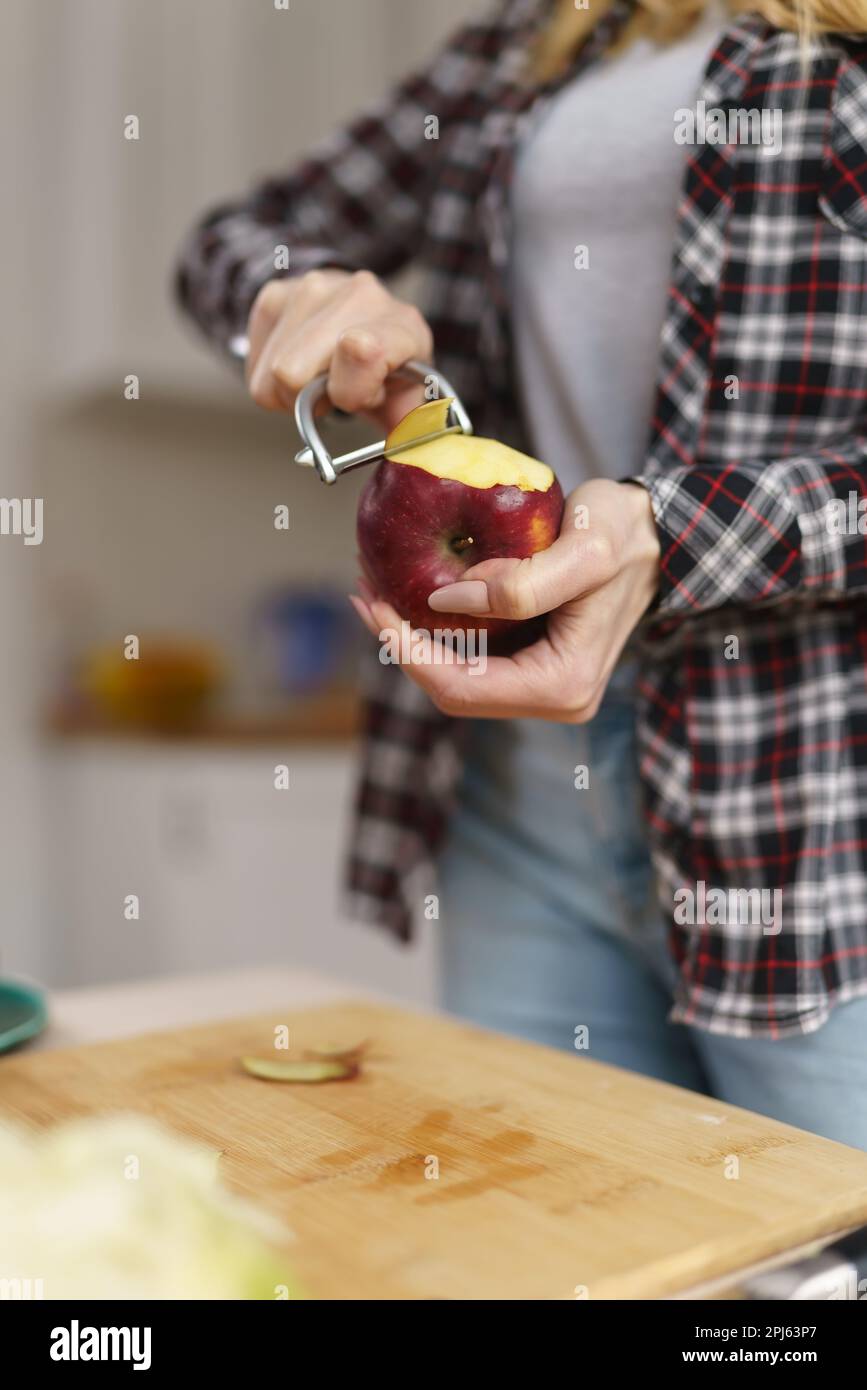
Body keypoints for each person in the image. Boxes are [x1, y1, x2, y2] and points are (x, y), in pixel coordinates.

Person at [176, 0, 867, 1148]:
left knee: (813, 1278)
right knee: (543, 1234)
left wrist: (675, 533)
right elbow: (234, 238)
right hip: (517, 797)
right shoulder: (525, 41)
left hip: (809, 808)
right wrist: (301, 296)